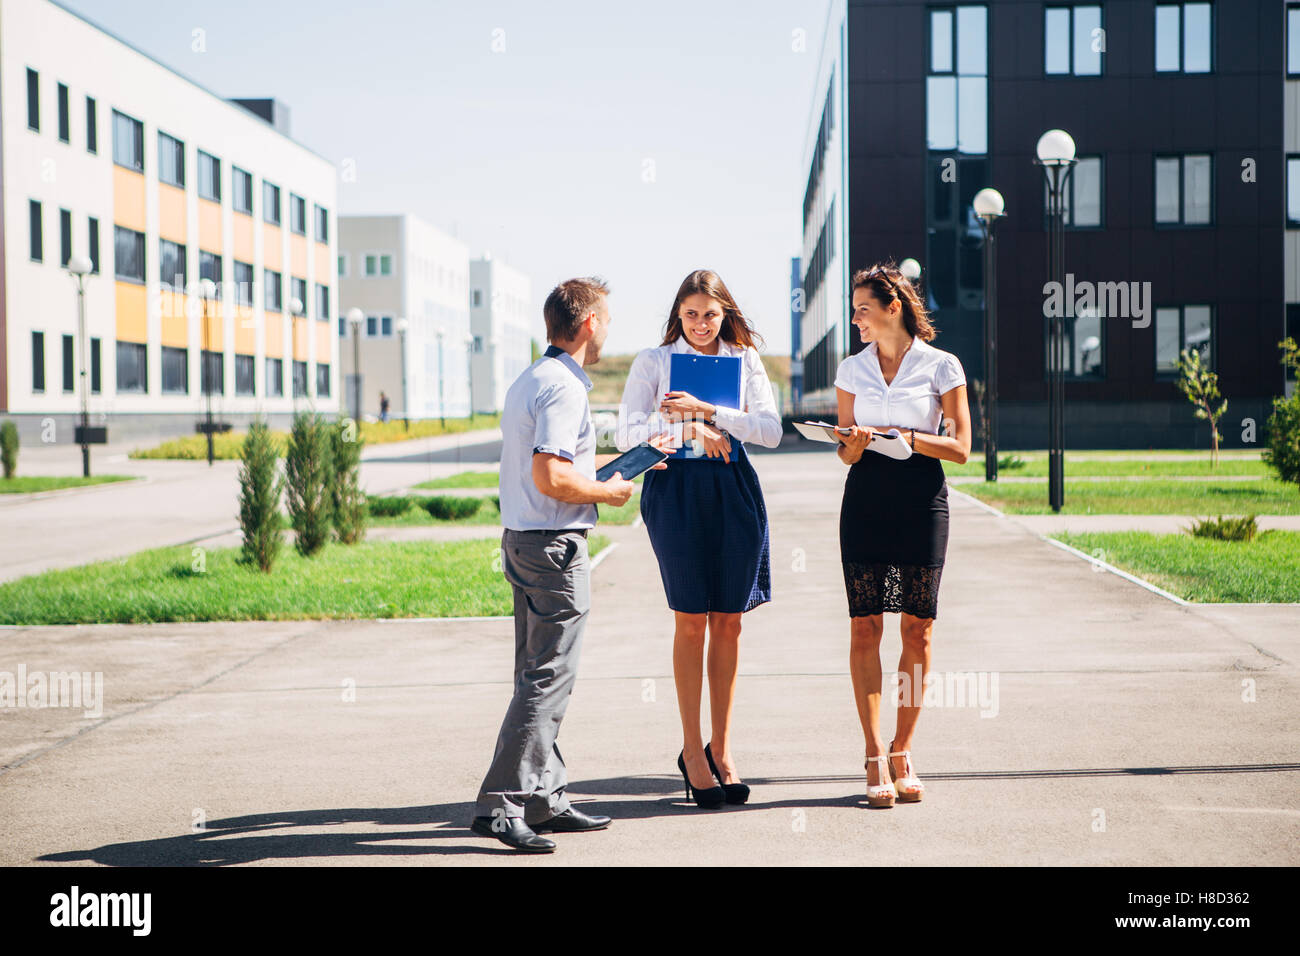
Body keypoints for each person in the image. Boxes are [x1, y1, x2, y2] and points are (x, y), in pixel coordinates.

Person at [471, 276, 662, 852]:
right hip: (555, 547)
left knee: (536, 672)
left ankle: (544, 799)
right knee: (548, 677)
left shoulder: (534, 377)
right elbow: (552, 476)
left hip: (527, 543)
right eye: (607, 321)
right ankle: (501, 804)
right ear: (590, 325)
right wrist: (610, 494)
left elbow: (564, 461)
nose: (608, 332)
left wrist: (628, 462)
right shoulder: (564, 388)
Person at [616, 269, 782, 809]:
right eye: (691, 314)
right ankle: (692, 751)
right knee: (690, 620)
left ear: (725, 313)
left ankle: (723, 749)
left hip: (733, 488)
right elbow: (625, 432)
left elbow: (771, 431)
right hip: (676, 491)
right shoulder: (653, 361)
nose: (701, 323)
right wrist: (691, 431)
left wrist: (709, 411)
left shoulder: (744, 359)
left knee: (729, 622)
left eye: (711, 313)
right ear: (678, 315)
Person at [831, 262, 971, 809]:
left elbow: (960, 447)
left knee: (919, 630)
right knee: (866, 627)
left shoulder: (942, 366)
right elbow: (844, 452)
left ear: (894, 307)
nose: (855, 318)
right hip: (866, 498)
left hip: (921, 501)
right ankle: (872, 754)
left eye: (863, 308)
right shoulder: (851, 369)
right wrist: (855, 443)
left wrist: (908, 437)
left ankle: (903, 749)